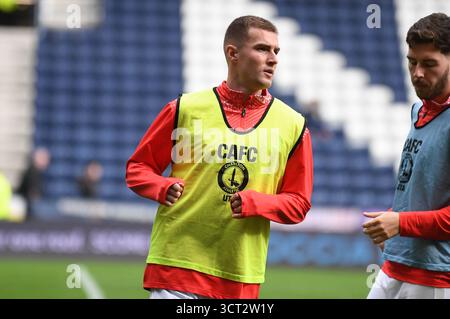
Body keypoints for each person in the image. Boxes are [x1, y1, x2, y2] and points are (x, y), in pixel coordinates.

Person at [126, 15, 313, 299]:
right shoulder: (184, 108)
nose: (273, 59)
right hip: (177, 266)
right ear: (233, 53)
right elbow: (138, 168)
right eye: (263, 49)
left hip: (239, 276)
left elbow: (299, 203)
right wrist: (161, 187)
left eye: (276, 51)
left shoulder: (294, 124)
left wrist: (257, 202)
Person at [362, 13, 450, 299]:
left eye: (429, 64)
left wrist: (400, 223)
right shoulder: (418, 112)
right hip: (394, 267)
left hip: (435, 278)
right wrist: (394, 219)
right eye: (412, 62)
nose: (417, 73)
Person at [17, 147, 51, 219]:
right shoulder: (33, 172)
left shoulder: (35, 171)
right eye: (44, 159)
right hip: (27, 206)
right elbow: (33, 195)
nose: (47, 161)